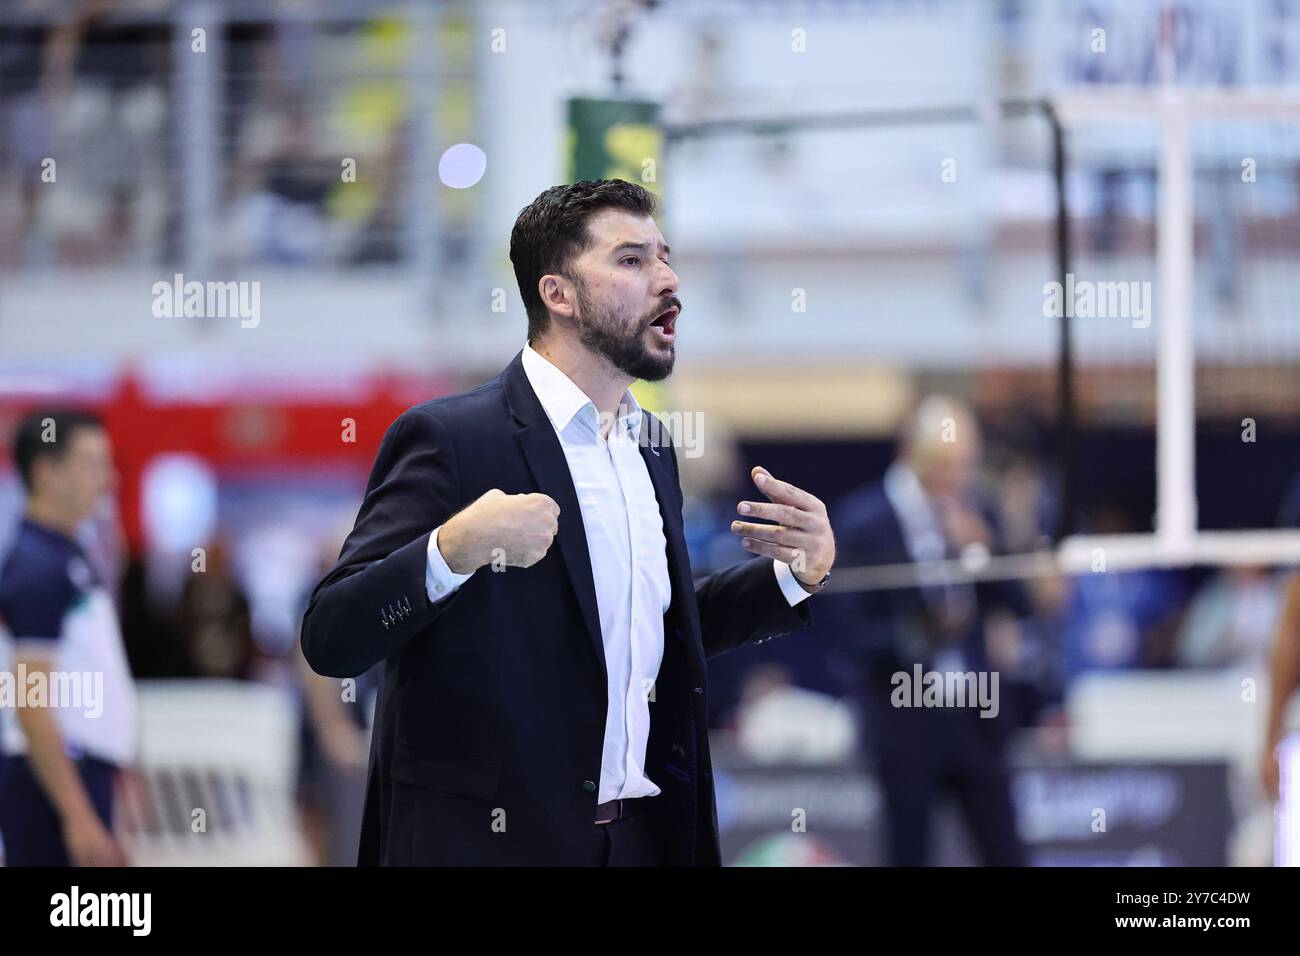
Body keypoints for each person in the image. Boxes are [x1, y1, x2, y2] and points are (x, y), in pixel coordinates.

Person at [301, 179, 836, 866]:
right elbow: (332, 637)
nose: (667, 280)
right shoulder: (452, 438)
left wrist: (793, 578)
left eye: (665, 257)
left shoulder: (650, 446)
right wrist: (451, 549)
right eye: (632, 260)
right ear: (558, 294)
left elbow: (656, 625)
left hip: (641, 838)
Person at [831, 396, 1030, 866]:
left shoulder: (976, 511)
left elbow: (1018, 603)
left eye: (964, 466)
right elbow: (847, 635)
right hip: (904, 718)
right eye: (942, 465)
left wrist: (986, 549)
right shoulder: (862, 521)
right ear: (910, 452)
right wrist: (920, 632)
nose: (953, 479)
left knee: (1006, 851)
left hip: (975, 715)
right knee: (910, 852)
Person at [0, 409, 137, 866]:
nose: (109, 479)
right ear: (45, 472)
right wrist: (77, 816)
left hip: (81, 773)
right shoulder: (38, 566)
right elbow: (31, 700)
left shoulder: (68, 555)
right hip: (51, 782)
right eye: (92, 463)